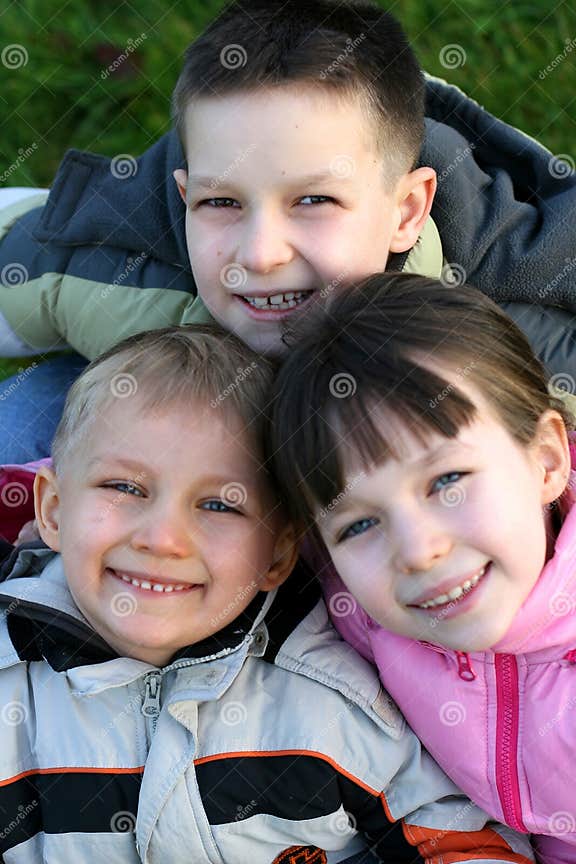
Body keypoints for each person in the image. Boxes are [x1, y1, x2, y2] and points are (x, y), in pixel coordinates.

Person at [0, 322, 536, 864]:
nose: (161, 539)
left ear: (279, 554)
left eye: (219, 505)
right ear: (53, 509)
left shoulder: (336, 698)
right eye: (125, 488)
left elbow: (462, 840)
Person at [2, 0, 576, 462]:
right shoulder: (130, 287)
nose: (259, 253)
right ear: (184, 200)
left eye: (313, 200)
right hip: (189, 449)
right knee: (24, 416)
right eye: (221, 201)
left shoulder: (490, 335)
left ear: (405, 212)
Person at [267, 272, 576, 864]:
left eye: (447, 482)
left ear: (545, 461)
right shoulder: (357, 603)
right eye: (359, 525)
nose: (415, 550)